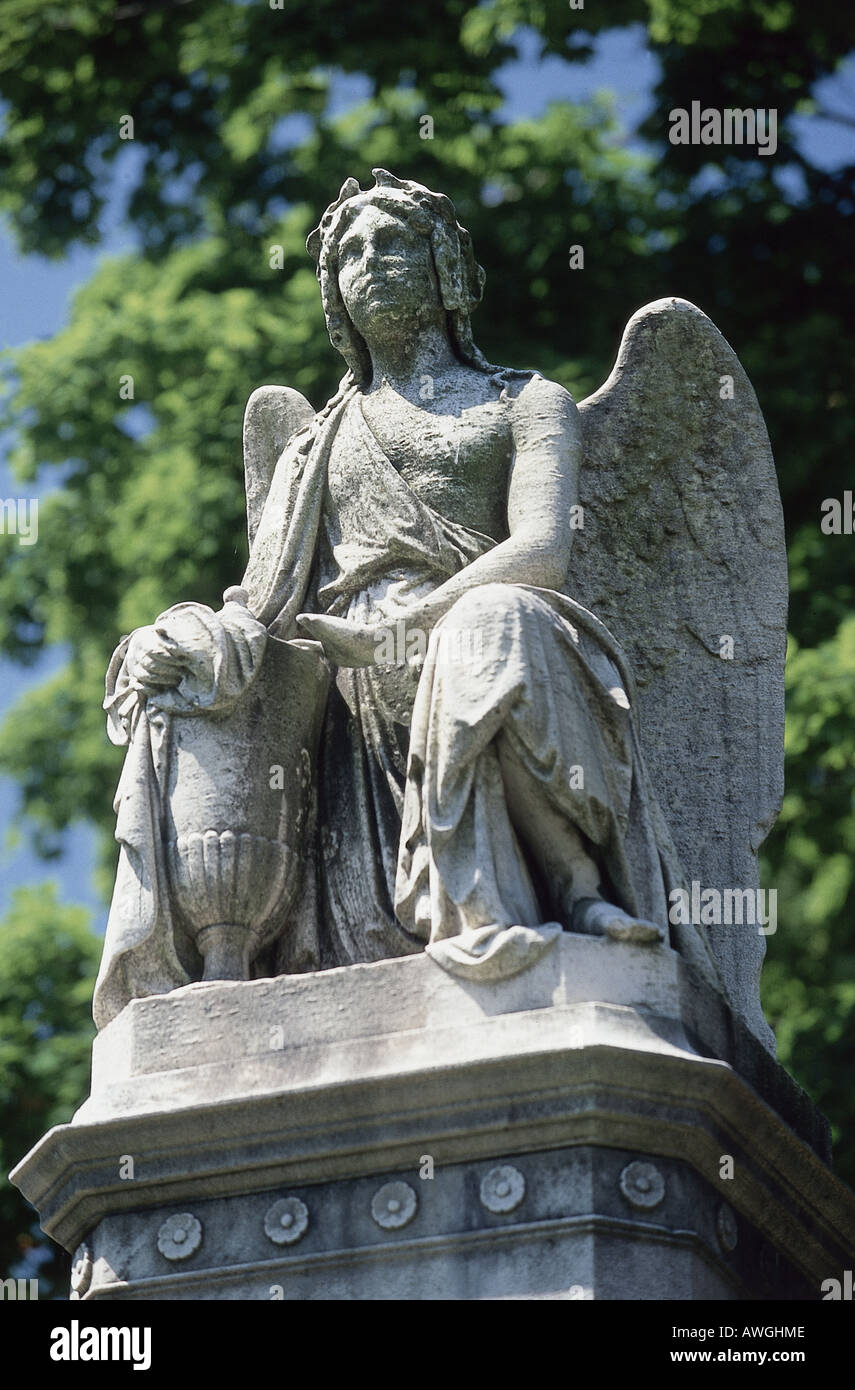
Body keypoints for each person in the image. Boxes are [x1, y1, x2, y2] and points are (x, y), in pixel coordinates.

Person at [121, 169, 717, 986]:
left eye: (393, 241)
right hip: (355, 711)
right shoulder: (310, 446)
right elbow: (255, 611)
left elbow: (542, 549)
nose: (370, 260)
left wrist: (406, 630)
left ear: (446, 269)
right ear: (334, 295)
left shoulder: (527, 402)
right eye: (349, 252)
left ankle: (572, 887)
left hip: (506, 642)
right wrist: (171, 644)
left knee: (491, 618)